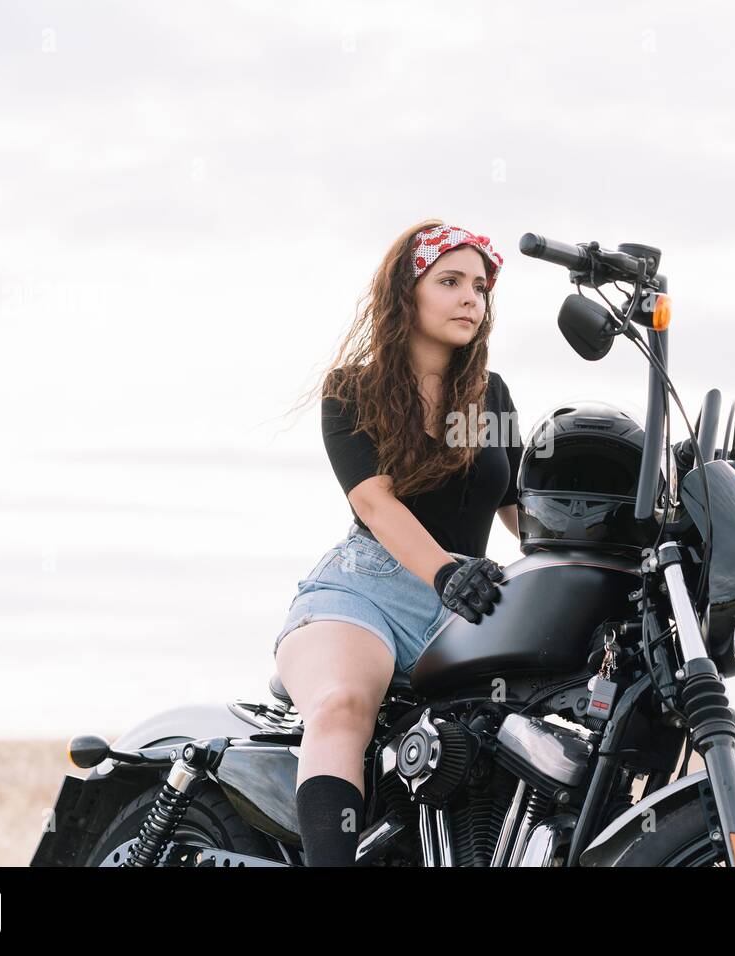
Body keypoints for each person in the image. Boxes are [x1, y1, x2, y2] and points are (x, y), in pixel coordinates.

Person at [272, 220, 523, 866]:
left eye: (479, 286)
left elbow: (520, 510)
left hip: (466, 607)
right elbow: (374, 502)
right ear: (405, 295)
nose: (472, 298)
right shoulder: (353, 390)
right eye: (450, 282)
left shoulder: (490, 397)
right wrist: (443, 572)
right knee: (343, 704)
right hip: (367, 593)